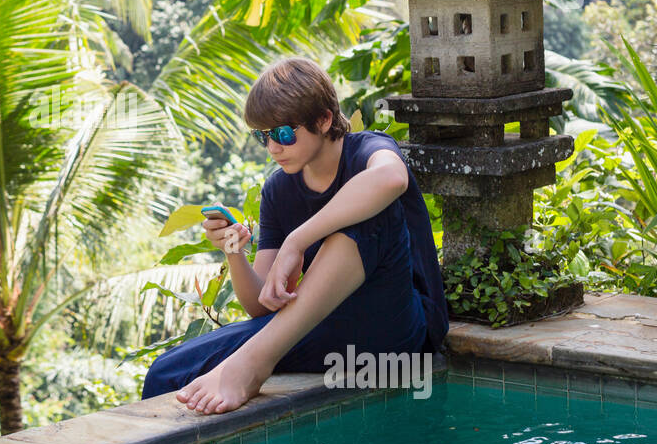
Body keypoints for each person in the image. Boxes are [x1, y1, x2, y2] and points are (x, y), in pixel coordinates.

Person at [141, 57, 448, 413]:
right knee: (167, 372)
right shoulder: (279, 190)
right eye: (263, 136)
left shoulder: (368, 151)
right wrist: (232, 251)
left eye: (284, 133)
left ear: (324, 119)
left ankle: (255, 364)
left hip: (395, 329)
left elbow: (392, 180)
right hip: (322, 328)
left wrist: (296, 239)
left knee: (369, 207)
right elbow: (260, 305)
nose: (273, 147)